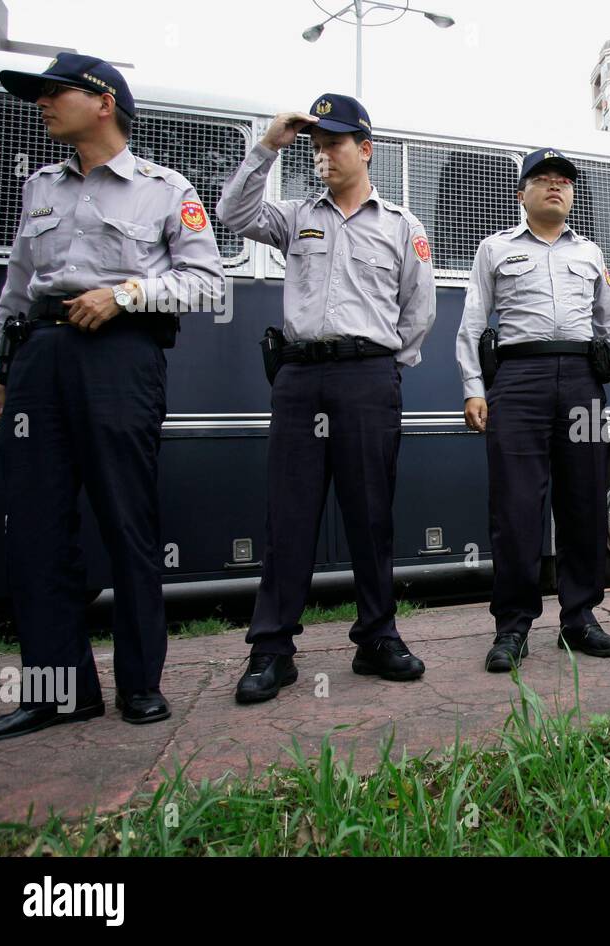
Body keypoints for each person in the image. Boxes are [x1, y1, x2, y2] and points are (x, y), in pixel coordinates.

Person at [0, 53, 224, 742]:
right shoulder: (39, 188)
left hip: (119, 355)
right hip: (38, 358)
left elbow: (209, 284)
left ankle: (140, 685)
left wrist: (126, 294)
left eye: (54, 92)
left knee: (127, 520)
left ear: (103, 101)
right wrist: (3, 361)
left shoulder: (164, 189)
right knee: (34, 528)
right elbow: (19, 284)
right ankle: (59, 694)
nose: (42, 104)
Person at [216, 94, 436, 703]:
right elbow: (232, 213)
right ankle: (272, 649)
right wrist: (268, 145)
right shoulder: (294, 217)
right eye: (315, 146)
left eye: (333, 143)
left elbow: (417, 312)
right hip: (299, 378)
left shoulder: (401, 226)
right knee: (289, 515)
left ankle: (376, 637)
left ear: (365, 149)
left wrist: (384, 366)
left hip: (367, 377)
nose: (322, 156)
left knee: (370, 515)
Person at [456, 148, 610, 672]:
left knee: (583, 502)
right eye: (543, 180)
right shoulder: (494, 249)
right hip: (518, 381)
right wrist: (473, 387)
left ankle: (580, 618)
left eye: (564, 181)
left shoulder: (589, 253)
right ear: (522, 194)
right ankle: (512, 627)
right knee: (516, 507)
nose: (555, 187)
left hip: (582, 381)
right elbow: (472, 323)